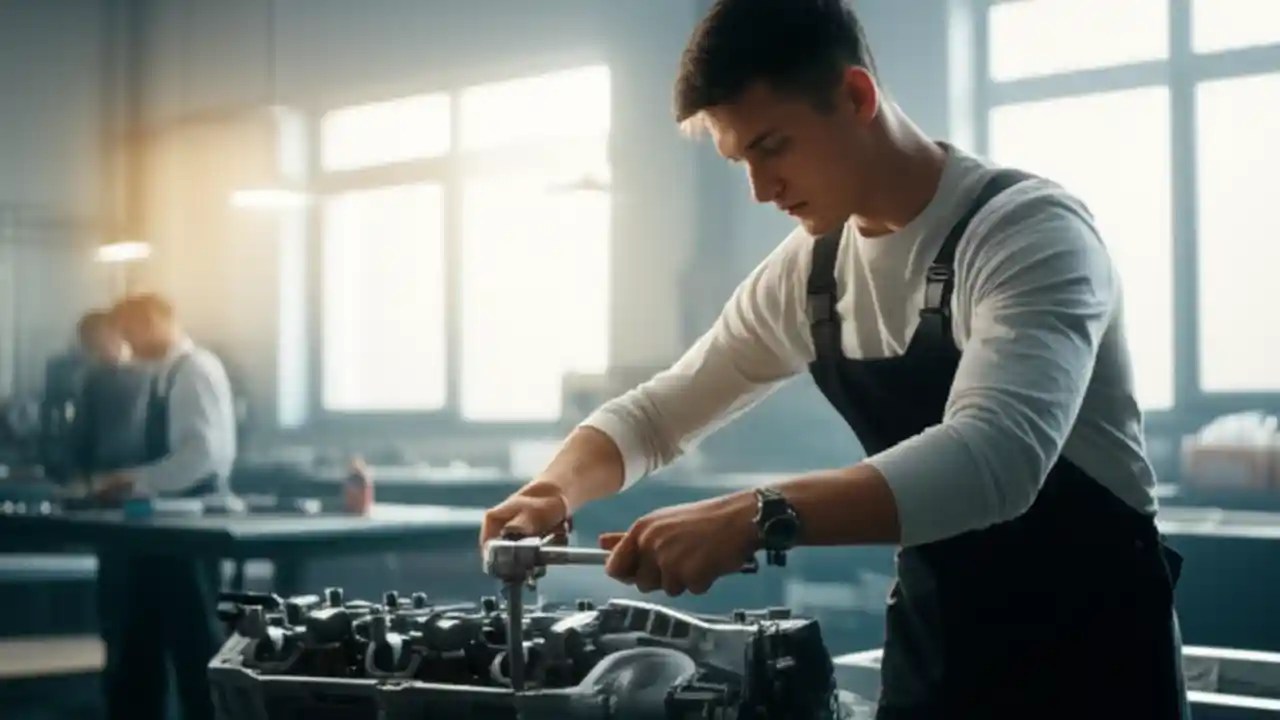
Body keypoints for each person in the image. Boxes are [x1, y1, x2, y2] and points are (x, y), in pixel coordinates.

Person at [480, 1, 1187, 717]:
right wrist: (552, 489)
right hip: (937, 657)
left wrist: (755, 515)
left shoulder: (1027, 233)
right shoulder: (812, 273)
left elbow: (996, 459)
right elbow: (658, 414)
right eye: (741, 161)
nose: (761, 189)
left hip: (1096, 662)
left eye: (772, 146)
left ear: (855, 96)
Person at [90, 292, 237, 720]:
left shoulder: (194, 371)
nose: (128, 341)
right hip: (165, 528)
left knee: (194, 644)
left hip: (189, 530)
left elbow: (201, 455)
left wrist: (137, 480)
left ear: (156, 320)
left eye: (131, 330)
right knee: (140, 642)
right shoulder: (164, 375)